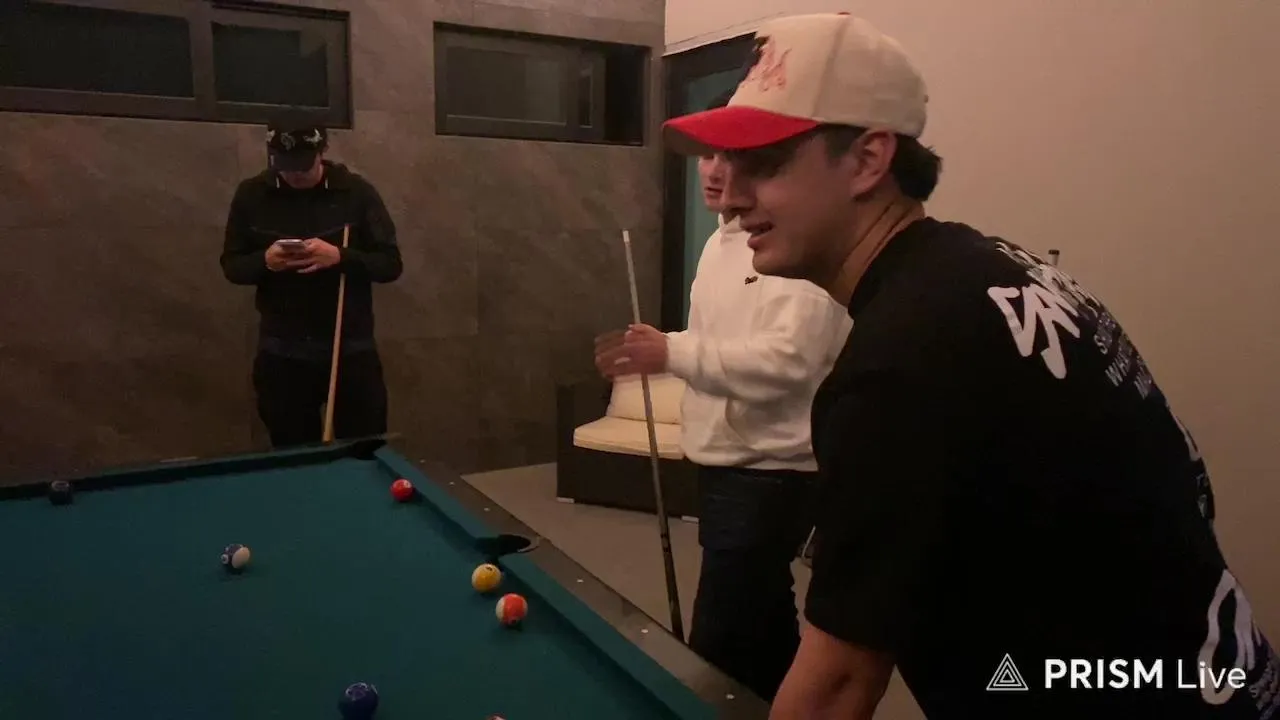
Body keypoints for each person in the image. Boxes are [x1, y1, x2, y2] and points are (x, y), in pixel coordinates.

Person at [662, 12, 1277, 720]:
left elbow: (837, 686)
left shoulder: (900, 363)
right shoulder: (988, 268)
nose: (734, 194)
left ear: (867, 160)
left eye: (765, 163)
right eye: (729, 162)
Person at [594, 91, 853, 700]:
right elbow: (722, 339)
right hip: (725, 457)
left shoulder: (792, 242)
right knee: (758, 617)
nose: (714, 170)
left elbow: (790, 359)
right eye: (708, 155)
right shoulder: (719, 242)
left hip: (771, 468)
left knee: (722, 633)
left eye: (732, 155)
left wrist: (673, 353)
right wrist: (665, 347)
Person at [221, 112, 403, 448]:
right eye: (285, 166)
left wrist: (340, 257)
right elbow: (232, 266)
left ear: (322, 151)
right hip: (282, 355)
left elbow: (390, 265)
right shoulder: (251, 195)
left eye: (303, 166)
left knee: (363, 453)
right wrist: (265, 261)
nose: (294, 174)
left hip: (349, 351)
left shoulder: (356, 193)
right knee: (292, 454)